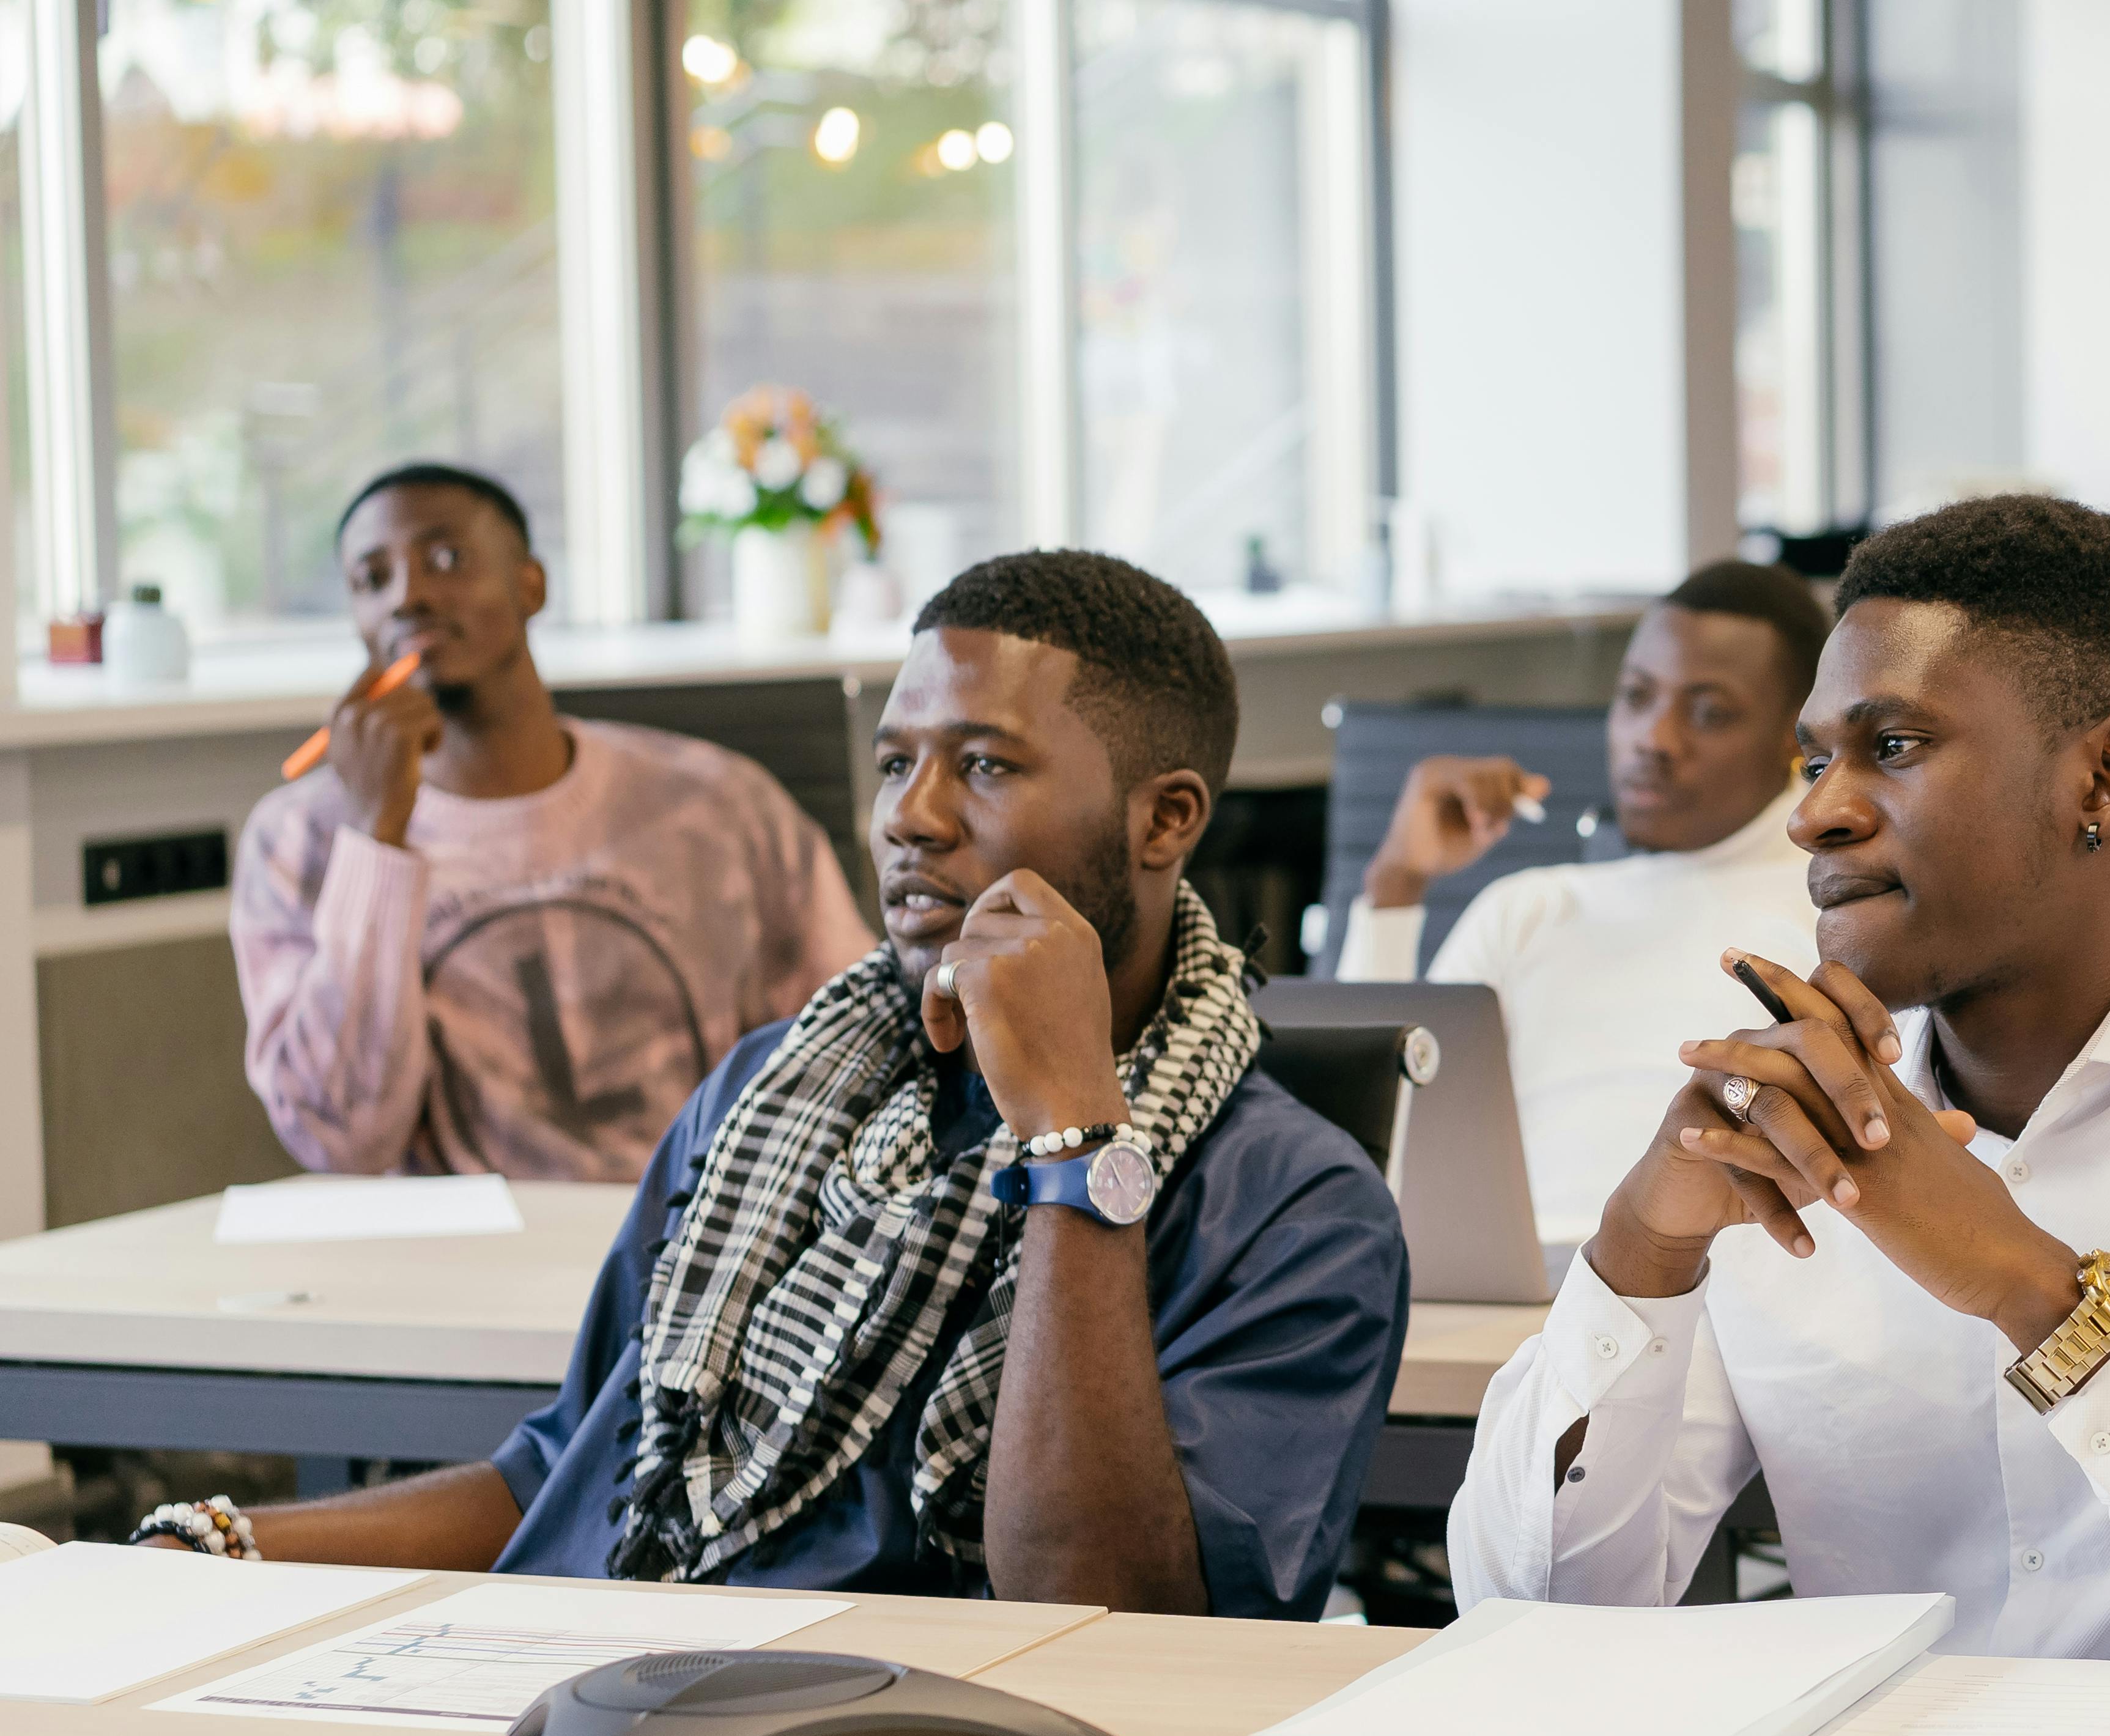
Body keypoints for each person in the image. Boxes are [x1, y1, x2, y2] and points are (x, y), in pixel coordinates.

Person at [140, 553, 1409, 1615]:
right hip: (609, 1677)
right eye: (892, 762)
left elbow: (1103, 1625)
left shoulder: (1298, 1210)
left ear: (1165, 820)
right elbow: (579, 1470)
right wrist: (218, 1551)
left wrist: (1071, 1136)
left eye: (983, 766)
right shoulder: (772, 1089)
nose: (910, 817)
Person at [1449, 497, 2110, 1680]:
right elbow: (1534, 1628)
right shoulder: (1787, 1128)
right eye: (1814, 760)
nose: (1815, 812)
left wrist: (2043, 1301)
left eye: (1896, 748)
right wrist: (1641, 1256)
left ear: (2109, 775)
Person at [234, 464, 876, 1183]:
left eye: (446, 559)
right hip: (457, 1267)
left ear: (531, 585)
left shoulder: (718, 801)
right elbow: (343, 1140)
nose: (407, 595)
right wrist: (375, 839)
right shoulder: (297, 840)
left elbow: (856, 1046)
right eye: (371, 579)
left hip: (696, 1251)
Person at [1331, 560, 1829, 1242]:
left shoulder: (1836, 910)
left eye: (1709, 712)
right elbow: (1363, 1142)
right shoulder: (1531, 910)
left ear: (1794, 739)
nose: (1653, 738)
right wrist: (1395, 884)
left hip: (1730, 1303)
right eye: (1635, 696)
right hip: (1512, 1301)